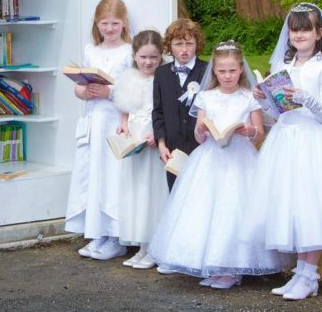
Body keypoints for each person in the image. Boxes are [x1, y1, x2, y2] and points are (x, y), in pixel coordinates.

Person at [244, 2, 322, 300]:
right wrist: (262, 98)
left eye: (305, 29)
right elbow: (276, 114)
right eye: (293, 29)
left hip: (312, 142)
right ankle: (300, 274)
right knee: (293, 206)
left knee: (312, 205)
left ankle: (310, 274)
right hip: (285, 140)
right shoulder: (282, 68)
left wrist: (305, 98)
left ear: (319, 32)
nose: (298, 35)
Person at [148, 41, 288, 289]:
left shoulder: (248, 97)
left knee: (234, 210)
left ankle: (232, 268)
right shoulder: (205, 97)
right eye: (222, 71)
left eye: (232, 71)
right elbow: (199, 137)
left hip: (240, 159)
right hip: (210, 158)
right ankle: (213, 264)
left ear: (240, 70)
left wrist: (248, 130)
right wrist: (202, 129)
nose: (227, 76)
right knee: (207, 209)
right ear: (214, 71)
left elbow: (259, 136)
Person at [65, 0, 133, 261]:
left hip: (115, 120)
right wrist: (84, 90)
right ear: (97, 23)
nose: (109, 28)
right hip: (93, 119)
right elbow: (79, 88)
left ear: (124, 23)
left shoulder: (128, 51)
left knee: (112, 175)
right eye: (104, 23)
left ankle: (115, 236)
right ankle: (96, 232)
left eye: (115, 23)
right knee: (92, 175)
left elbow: (133, 88)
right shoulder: (91, 50)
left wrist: (108, 92)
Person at [111, 29, 169, 270]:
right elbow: (126, 107)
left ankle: (155, 246)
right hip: (135, 138)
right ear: (134, 55)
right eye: (143, 57)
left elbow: (164, 111)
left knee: (152, 192)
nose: (148, 62)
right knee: (136, 192)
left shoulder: (164, 78)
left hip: (153, 138)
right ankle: (142, 245)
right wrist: (124, 125)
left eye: (153, 57)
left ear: (161, 56)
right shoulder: (128, 78)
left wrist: (158, 134)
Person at [152, 18, 208, 190]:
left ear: (197, 44)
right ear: (169, 46)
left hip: (201, 147)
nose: (184, 50)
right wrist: (161, 144)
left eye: (189, 43)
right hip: (173, 149)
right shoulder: (161, 73)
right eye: (178, 44)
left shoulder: (207, 71)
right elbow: (158, 111)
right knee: (176, 193)